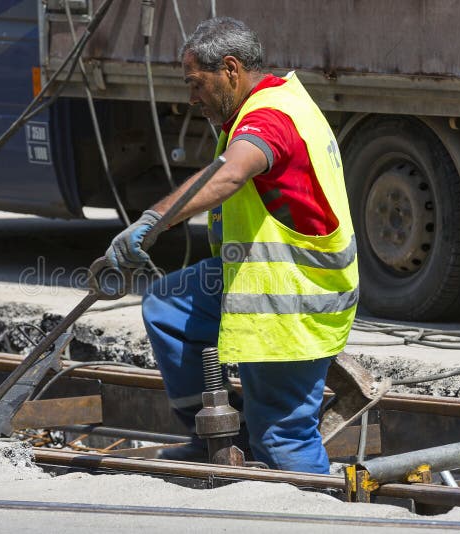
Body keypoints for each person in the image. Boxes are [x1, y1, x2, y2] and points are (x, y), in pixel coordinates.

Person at [105, 17, 359, 474]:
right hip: (256, 279)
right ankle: (217, 437)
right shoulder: (269, 105)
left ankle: (316, 512)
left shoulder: (271, 118)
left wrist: (151, 221)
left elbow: (231, 173)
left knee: (281, 433)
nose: (191, 98)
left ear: (230, 68)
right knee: (169, 306)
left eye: (196, 84)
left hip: (290, 299)